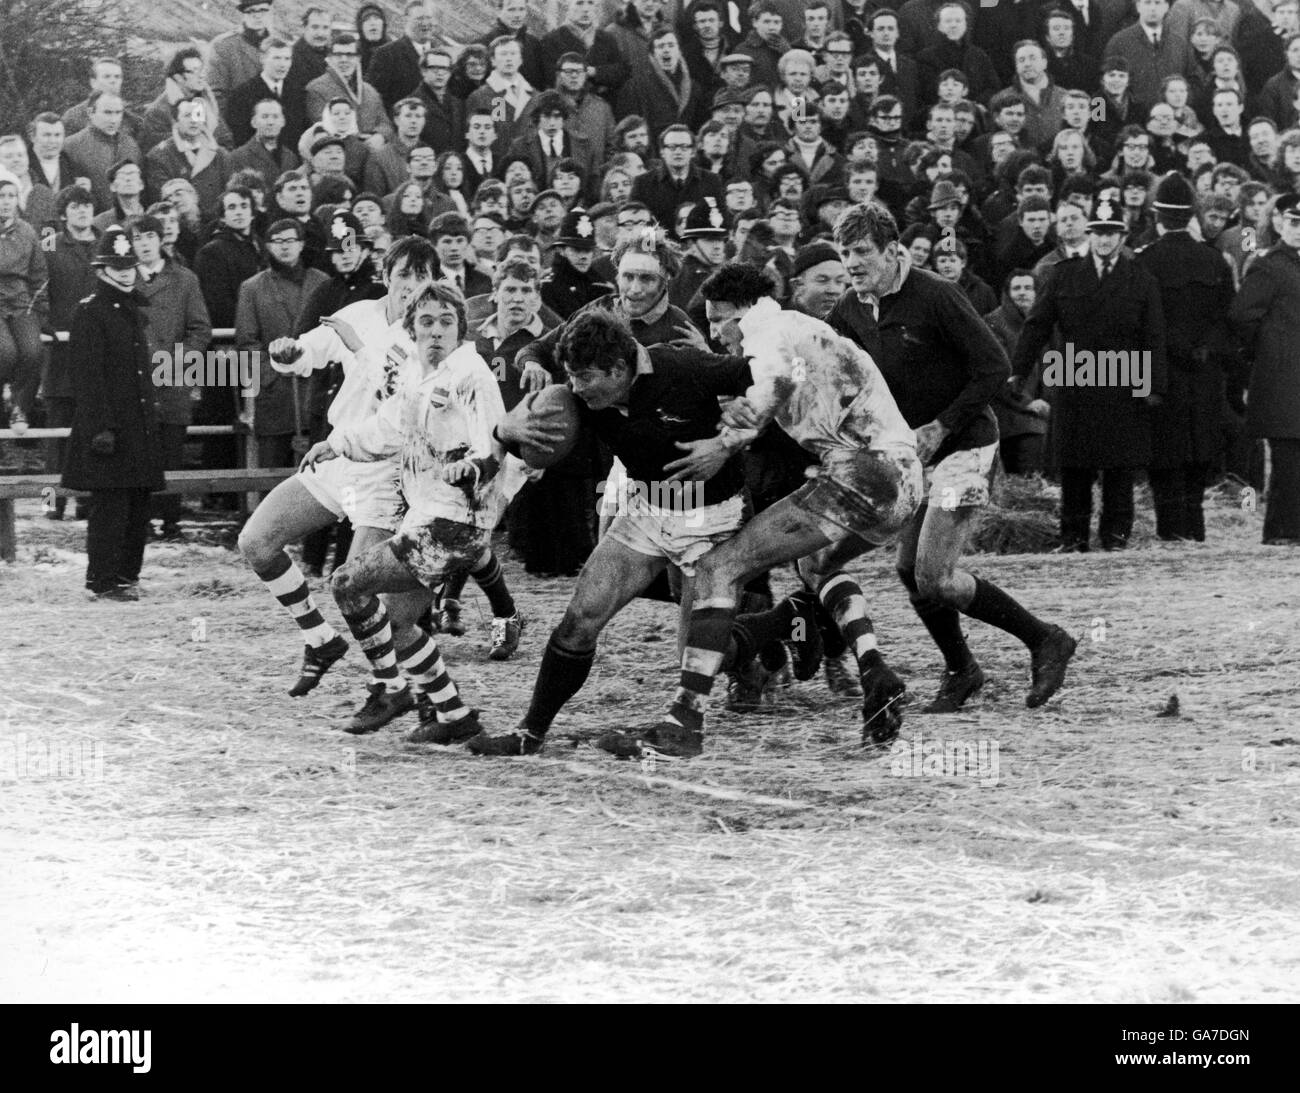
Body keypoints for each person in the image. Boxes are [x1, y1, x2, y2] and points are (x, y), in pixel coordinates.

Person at [584, 261, 924, 759]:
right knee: (816, 566)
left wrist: (728, 441)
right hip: (903, 480)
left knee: (718, 567)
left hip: (861, 473)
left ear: (733, 313)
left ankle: (685, 720)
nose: (716, 335)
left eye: (715, 321)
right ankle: (873, 666)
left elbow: (776, 381)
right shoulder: (802, 327)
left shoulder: (767, 330)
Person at [465, 306, 757, 758]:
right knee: (580, 618)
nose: (575, 389)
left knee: (695, 654)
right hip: (648, 509)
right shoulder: (580, 392)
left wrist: (726, 442)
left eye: (584, 377)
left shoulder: (685, 366)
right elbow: (522, 392)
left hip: (712, 515)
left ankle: (774, 632)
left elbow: (771, 377)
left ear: (620, 369)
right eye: (572, 377)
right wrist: (505, 426)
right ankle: (530, 732)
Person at [829, 201, 1077, 713]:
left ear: (893, 251)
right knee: (908, 569)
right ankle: (963, 669)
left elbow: (995, 365)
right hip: (911, 454)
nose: (851, 264)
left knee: (935, 576)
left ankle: (1045, 638)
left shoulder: (937, 295)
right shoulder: (850, 308)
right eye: (843, 253)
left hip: (965, 444)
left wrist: (941, 424)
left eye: (861, 253)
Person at [299, 281, 525, 745]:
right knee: (399, 624)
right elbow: (386, 429)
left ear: (462, 330)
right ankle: (455, 715)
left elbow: (495, 441)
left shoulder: (471, 372)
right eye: (426, 322)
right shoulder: (415, 374)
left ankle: (392, 690)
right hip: (433, 519)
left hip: (455, 524)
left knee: (346, 584)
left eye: (446, 322)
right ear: (412, 329)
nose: (436, 331)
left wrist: (475, 467)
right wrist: (334, 443)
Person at [236, 236, 437, 728]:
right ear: (385, 273)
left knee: (359, 590)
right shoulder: (361, 313)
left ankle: (394, 689)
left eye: (421, 276)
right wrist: (288, 350)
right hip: (337, 455)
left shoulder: (434, 335)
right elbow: (307, 352)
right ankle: (321, 640)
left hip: (387, 470)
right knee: (256, 542)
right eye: (403, 274)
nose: (411, 287)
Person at [1012, 197, 1168, 552]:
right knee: (1075, 465)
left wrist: (1153, 385)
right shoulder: (1063, 274)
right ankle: (1073, 536)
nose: (1104, 241)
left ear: (1123, 237)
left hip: (1123, 379)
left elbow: (1154, 335)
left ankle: (1116, 535)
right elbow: (1037, 326)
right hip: (1075, 377)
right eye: (1098, 233)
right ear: (1088, 233)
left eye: (1111, 234)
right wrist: (1018, 372)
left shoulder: (1140, 278)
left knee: (1119, 465)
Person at [60, 227, 163, 600]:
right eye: (114, 266)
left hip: (138, 424)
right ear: (100, 269)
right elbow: (87, 375)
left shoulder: (133, 308)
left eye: (129, 265)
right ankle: (101, 581)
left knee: (138, 504)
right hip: (110, 427)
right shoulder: (90, 312)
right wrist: (102, 426)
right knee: (110, 508)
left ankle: (126, 577)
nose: (123, 272)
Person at [1135, 172, 1236, 542]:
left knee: (1166, 459)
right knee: (1199, 455)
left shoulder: (1144, 260)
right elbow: (1228, 316)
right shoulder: (1215, 261)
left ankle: (1171, 534)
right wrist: (1202, 348)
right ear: (1192, 214)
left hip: (1161, 374)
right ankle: (1195, 534)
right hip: (1205, 371)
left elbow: (1141, 322)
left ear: (1157, 216)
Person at [130, 214, 211, 541]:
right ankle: (142, 520)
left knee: (171, 451)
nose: (144, 244)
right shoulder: (122, 278)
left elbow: (200, 329)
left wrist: (177, 362)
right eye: (137, 238)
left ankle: (171, 520)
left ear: (161, 239)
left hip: (172, 379)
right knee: (138, 451)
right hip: (135, 380)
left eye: (149, 236)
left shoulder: (184, 279)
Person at [1229, 191, 1300, 544]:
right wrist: (1267, 352)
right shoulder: (1269, 265)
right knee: (1287, 462)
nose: (1299, 230)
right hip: (1281, 381)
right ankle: (1279, 535)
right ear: (1282, 224)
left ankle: (1287, 534)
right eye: (1294, 223)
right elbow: (1242, 316)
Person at [236, 218, 331, 473]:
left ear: (301, 244)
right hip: (275, 395)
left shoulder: (322, 282)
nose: (284, 247)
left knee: (317, 473)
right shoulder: (252, 288)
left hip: (313, 388)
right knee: (272, 470)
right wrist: (271, 375)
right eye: (277, 242)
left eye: (290, 240)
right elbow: (247, 343)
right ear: (268, 246)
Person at [0, 177, 48, 432]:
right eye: (0, 196)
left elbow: (39, 274)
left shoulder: (27, 231)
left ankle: (20, 407)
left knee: (33, 351)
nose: (5, 202)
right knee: (5, 352)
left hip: (21, 302)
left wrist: (41, 311)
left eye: (10, 196)